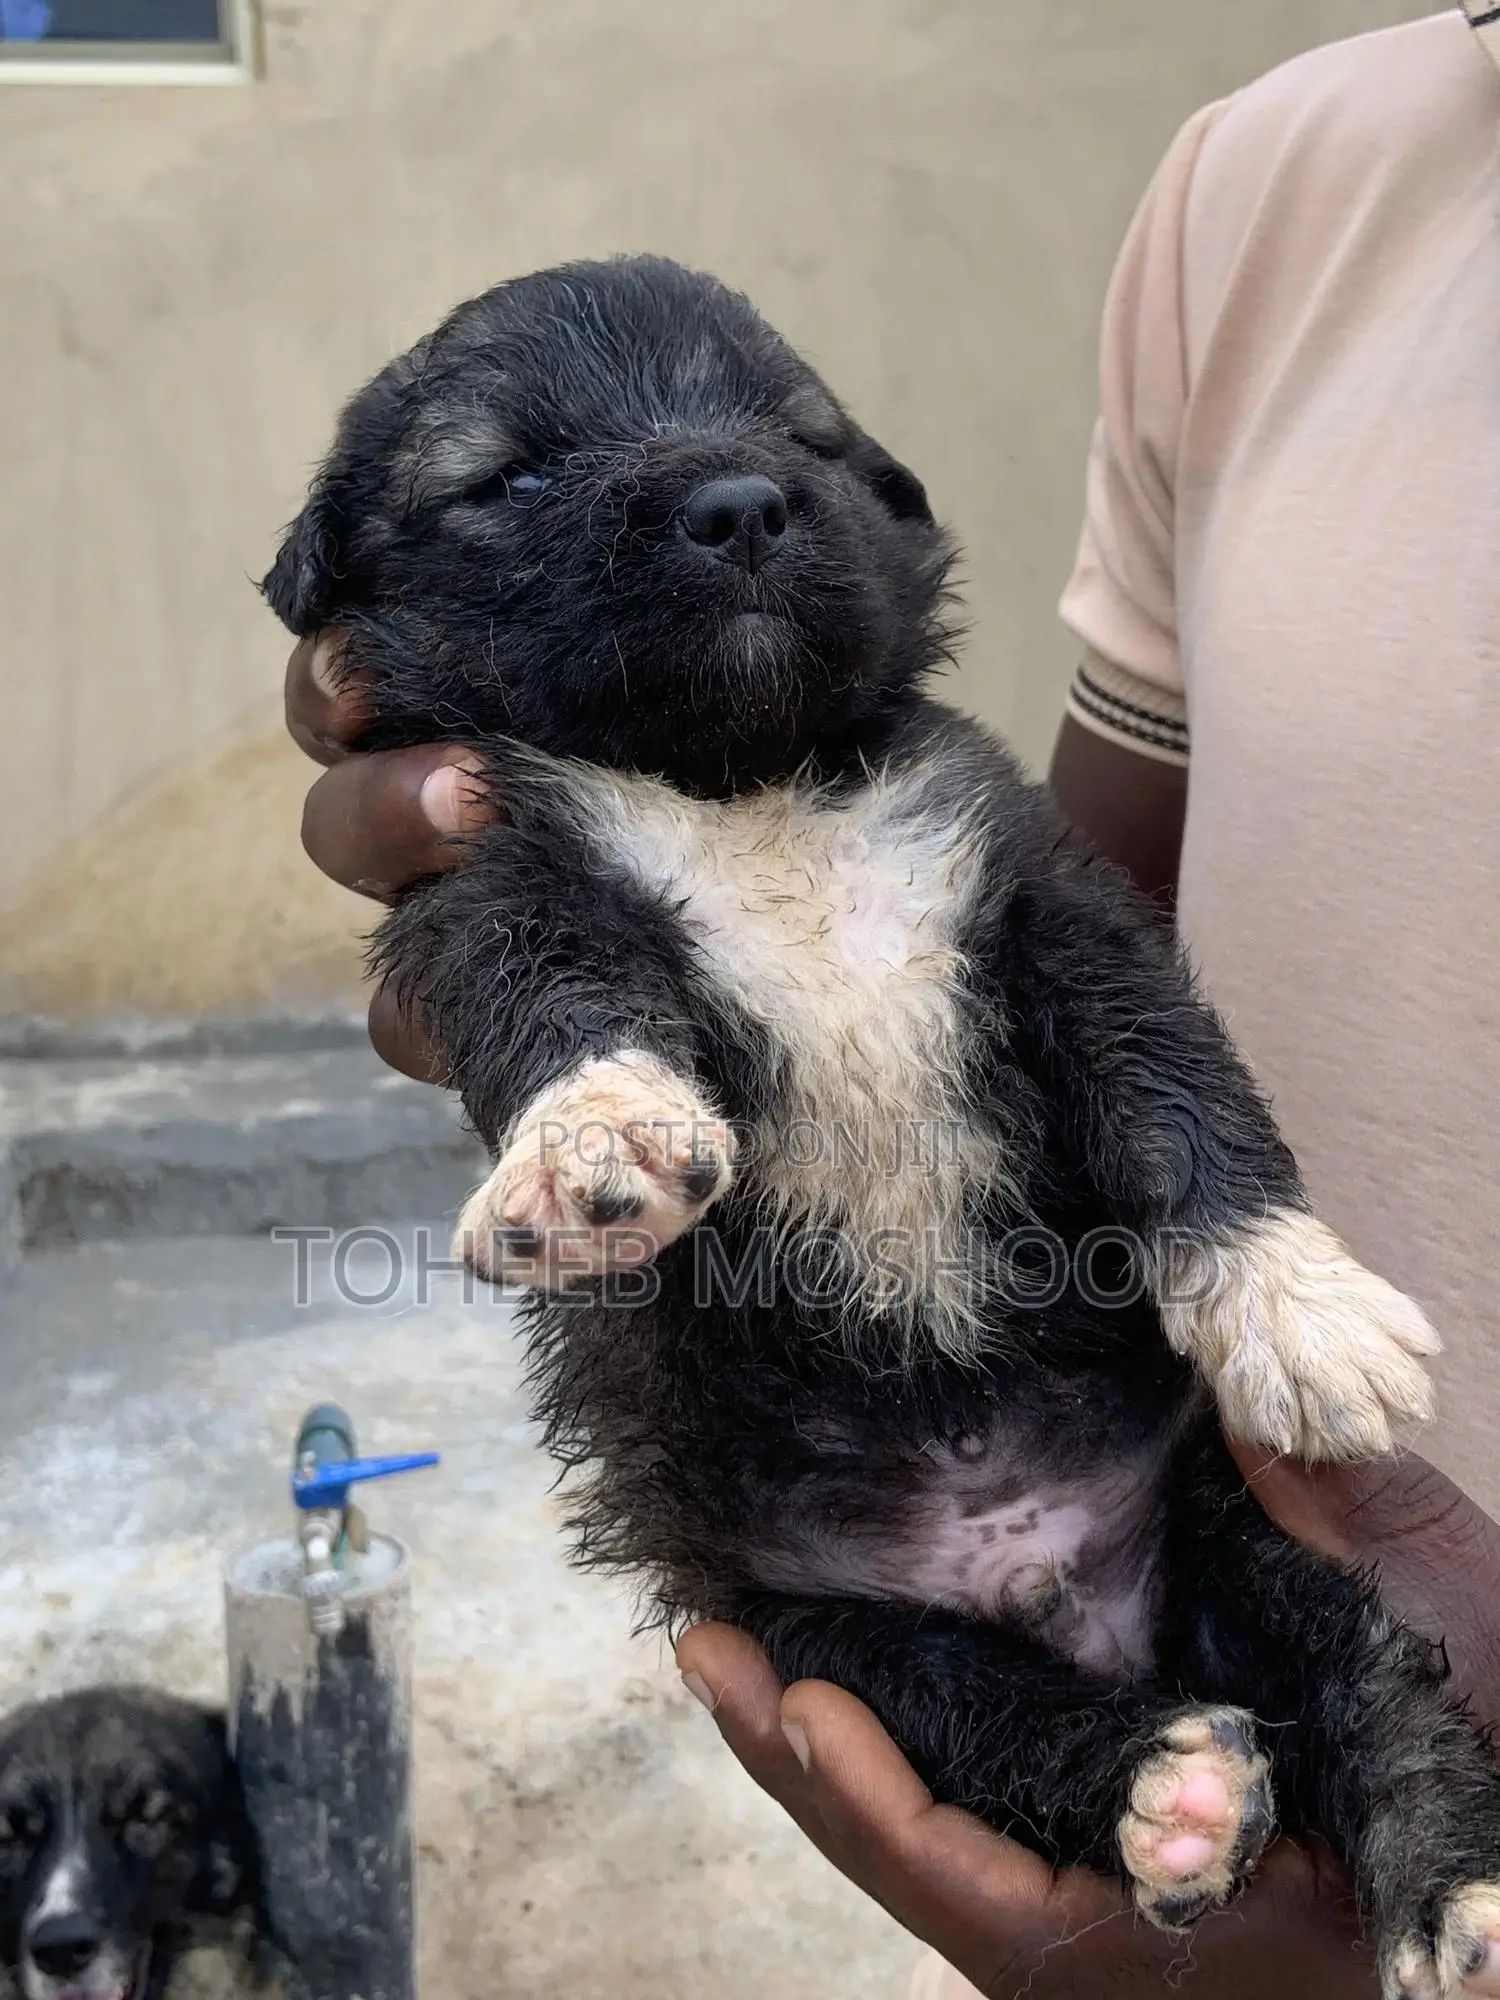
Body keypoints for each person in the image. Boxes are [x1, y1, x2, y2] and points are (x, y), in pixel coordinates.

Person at [285, 10, 1500, 1991]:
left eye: (800, 448)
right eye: (515, 481)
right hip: (823, 1526)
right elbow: (514, 959)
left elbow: (1106, 985)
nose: (732, 496)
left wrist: (1238, 1244)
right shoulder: (1272, 188)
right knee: (868, 1667)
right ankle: (1142, 1789)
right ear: (356, 604)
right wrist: (584, 1085)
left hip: (1191, 1448)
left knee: (1333, 1639)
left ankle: (1447, 1873)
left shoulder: (938, 796)